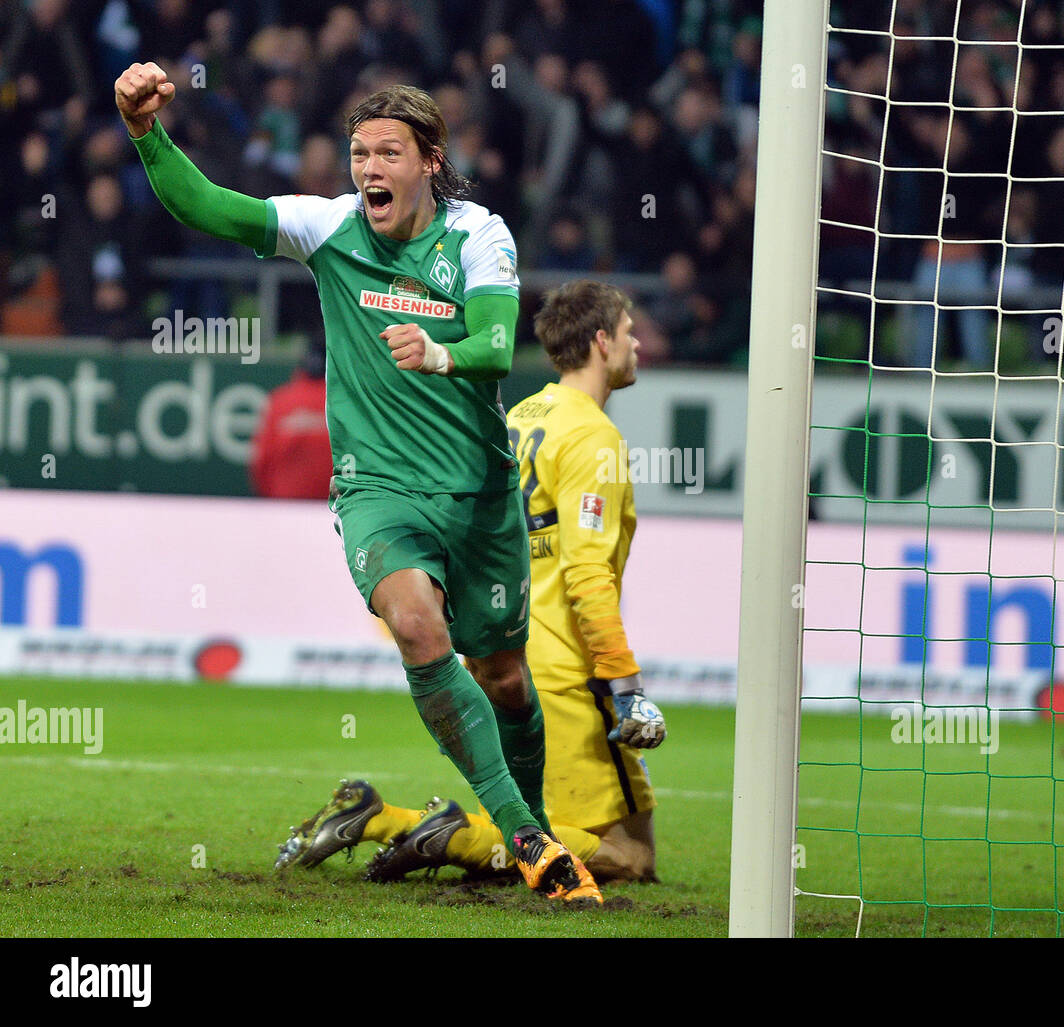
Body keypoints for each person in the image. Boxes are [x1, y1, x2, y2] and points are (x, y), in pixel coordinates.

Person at [114, 61, 599, 903]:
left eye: (389, 152)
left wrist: (438, 350)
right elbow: (210, 208)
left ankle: (534, 823)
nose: (370, 169)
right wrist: (145, 133)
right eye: (360, 153)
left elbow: (496, 341)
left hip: (480, 493)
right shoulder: (327, 227)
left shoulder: (479, 237)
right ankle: (528, 840)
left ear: (430, 160)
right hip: (376, 487)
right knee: (415, 624)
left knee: (507, 679)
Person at [275, 281, 666, 885]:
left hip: (504, 649)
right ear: (599, 341)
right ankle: (412, 825)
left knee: (602, 834)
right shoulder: (594, 438)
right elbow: (589, 574)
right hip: (566, 673)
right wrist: (626, 685)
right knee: (629, 857)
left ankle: (401, 823)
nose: (636, 341)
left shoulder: (519, 416)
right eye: (627, 329)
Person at [248, 344, 332, 499]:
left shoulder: (280, 400)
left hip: (284, 506)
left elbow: (261, 462)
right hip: (336, 509)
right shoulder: (344, 403)